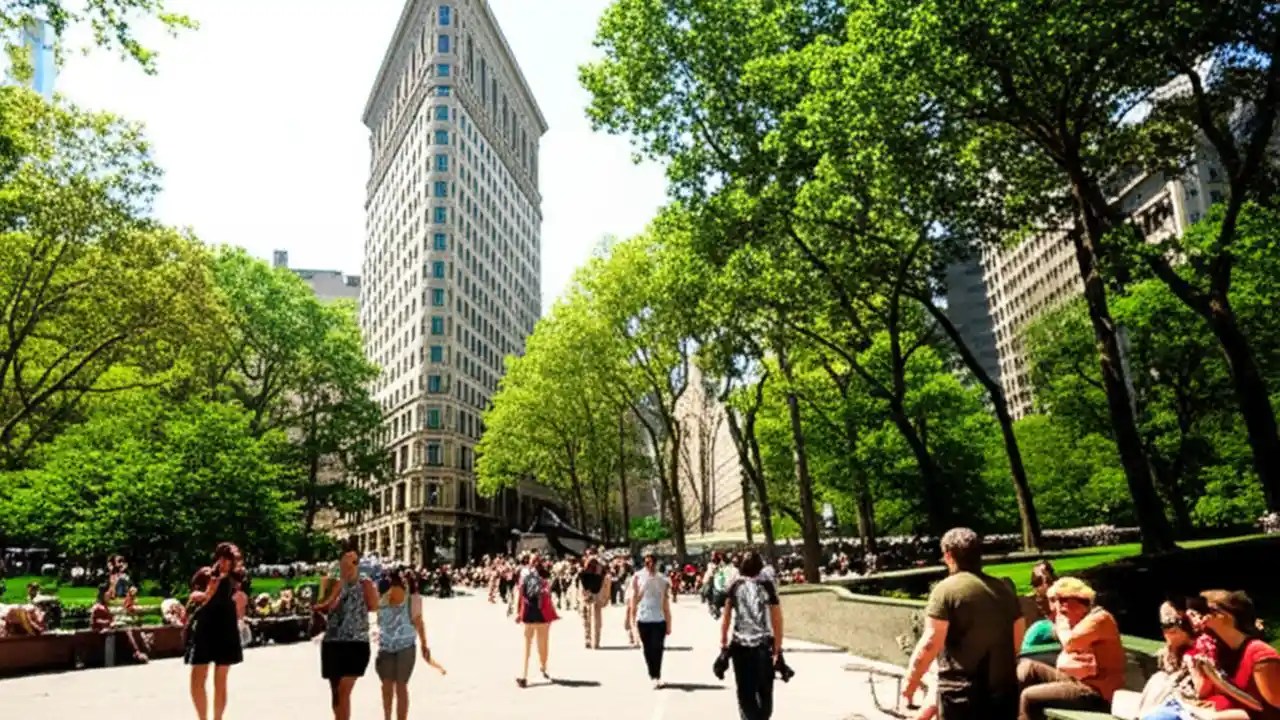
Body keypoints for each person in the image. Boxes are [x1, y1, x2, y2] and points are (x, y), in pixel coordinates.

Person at [903, 527, 1025, 720]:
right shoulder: (1004, 589)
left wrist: (910, 682)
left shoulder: (945, 590)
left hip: (961, 696)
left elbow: (931, 642)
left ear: (949, 555)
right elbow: (1018, 637)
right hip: (1004, 692)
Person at [1016, 577, 1125, 720]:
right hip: (1076, 680)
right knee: (1026, 668)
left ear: (1081, 601)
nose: (1058, 607)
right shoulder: (1078, 621)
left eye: (1063, 600)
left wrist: (1061, 622)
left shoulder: (1099, 619)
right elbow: (1064, 663)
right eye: (1056, 601)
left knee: (1029, 696)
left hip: (1095, 693)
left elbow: (1069, 642)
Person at [1182, 590, 1280, 720]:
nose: (1197, 616)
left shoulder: (1260, 655)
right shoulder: (1222, 651)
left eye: (1203, 610)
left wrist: (1217, 716)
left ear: (1225, 615)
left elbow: (1274, 709)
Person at [317, 539, 379, 720]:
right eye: (344, 561)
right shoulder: (332, 583)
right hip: (333, 641)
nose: (348, 565)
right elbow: (323, 607)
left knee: (344, 689)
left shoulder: (365, 583)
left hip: (356, 642)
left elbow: (374, 606)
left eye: (352, 561)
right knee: (336, 692)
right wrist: (335, 591)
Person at [719, 551, 783, 719]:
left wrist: (724, 642)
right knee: (765, 690)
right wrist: (777, 648)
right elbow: (777, 620)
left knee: (745, 690)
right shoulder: (767, 586)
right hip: (763, 646)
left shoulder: (735, 586)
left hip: (740, 646)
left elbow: (726, 617)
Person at [186, 543, 244, 720]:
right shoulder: (206, 574)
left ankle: (218, 718)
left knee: (221, 679)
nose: (226, 562)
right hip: (205, 627)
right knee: (198, 677)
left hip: (226, 627)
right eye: (224, 558)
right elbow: (194, 595)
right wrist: (208, 589)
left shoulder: (236, 579)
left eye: (230, 559)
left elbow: (240, 601)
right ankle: (202, 718)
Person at [375, 569, 431, 720]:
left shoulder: (412, 599)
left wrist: (424, 645)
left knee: (398, 687)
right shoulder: (382, 599)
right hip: (387, 647)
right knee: (390, 687)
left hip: (404, 648)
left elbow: (419, 622)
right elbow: (379, 622)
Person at [629, 553, 673, 689]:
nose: (650, 565)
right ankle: (652, 675)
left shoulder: (663, 579)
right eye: (647, 562)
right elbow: (633, 599)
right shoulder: (637, 577)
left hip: (659, 619)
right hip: (643, 618)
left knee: (658, 649)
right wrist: (631, 620)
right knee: (648, 649)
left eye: (652, 562)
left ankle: (657, 676)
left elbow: (665, 602)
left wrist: (669, 621)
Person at [515, 557, 557, 688]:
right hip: (543, 616)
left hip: (528, 615)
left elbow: (520, 595)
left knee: (527, 646)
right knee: (543, 644)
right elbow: (549, 598)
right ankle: (543, 667)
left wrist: (518, 613)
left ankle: (523, 674)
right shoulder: (545, 579)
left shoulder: (524, 577)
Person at [577, 555, 609, 649]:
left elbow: (604, 583)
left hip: (596, 595)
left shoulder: (601, 571)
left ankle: (595, 641)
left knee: (596, 620)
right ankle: (588, 639)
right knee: (586, 618)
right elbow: (581, 582)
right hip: (587, 594)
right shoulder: (583, 571)